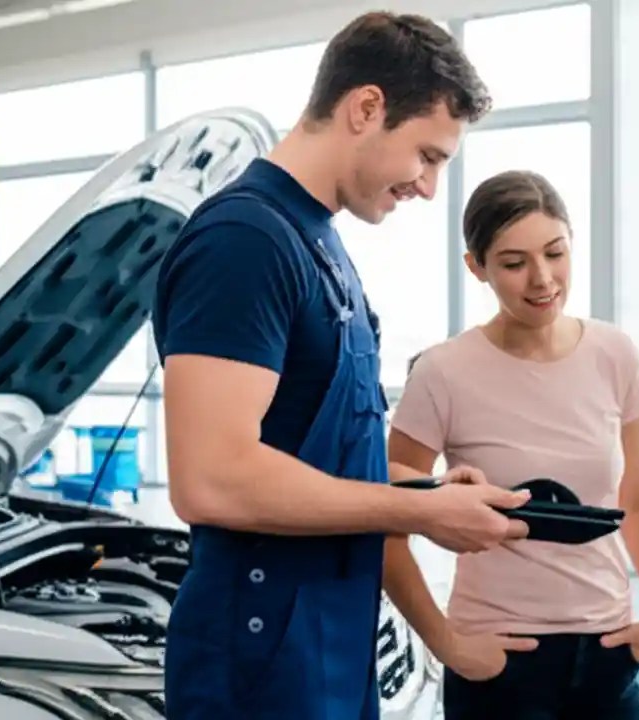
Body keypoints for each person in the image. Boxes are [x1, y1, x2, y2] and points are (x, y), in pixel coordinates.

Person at [153, 13, 534, 720]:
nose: (427, 186)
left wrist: (428, 488)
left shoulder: (315, 241)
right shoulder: (243, 243)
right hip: (259, 665)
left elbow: (315, 456)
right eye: (428, 155)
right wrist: (418, 511)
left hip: (330, 645)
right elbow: (211, 478)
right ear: (366, 108)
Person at [383, 170, 639, 720]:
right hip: (497, 659)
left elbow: (636, 499)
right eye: (514, 263)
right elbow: (383, 517)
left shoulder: (615, 354)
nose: (541, 279)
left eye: (555, 253)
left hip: (609, 652)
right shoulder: (443, 372)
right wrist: (445, 644)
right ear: (477, 267)